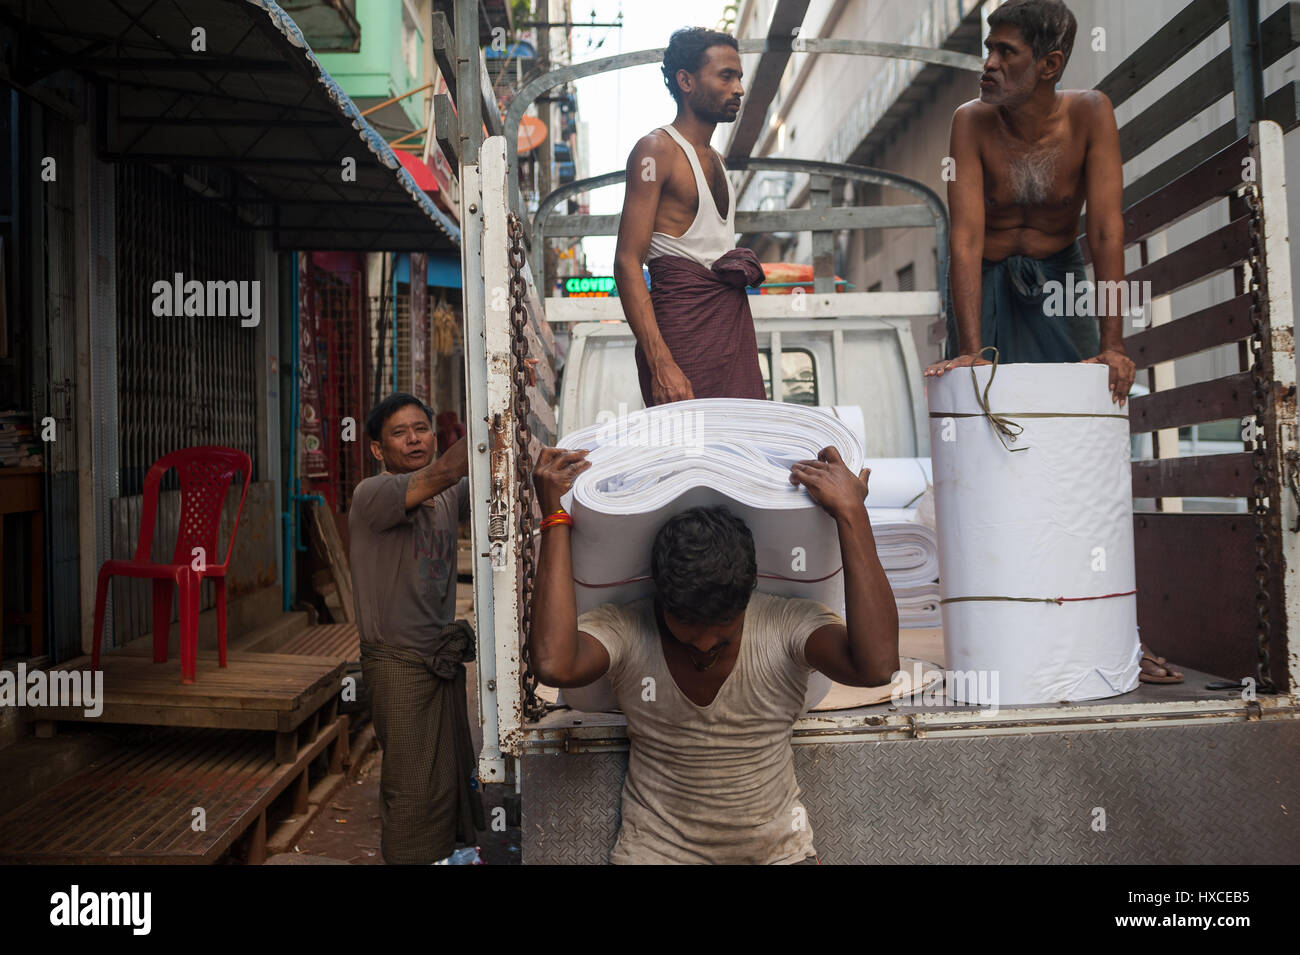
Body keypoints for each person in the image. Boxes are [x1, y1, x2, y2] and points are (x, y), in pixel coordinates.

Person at [925, 0, 1179, 684]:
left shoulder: (1092, 113)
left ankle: (1119, 636)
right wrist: (973, 349)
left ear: (1049, 65)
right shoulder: (969, 124)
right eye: (989, 48)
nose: (990, 63)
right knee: (991, 443)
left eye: (1006, 52)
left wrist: (1114, 342)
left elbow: (1106, 231)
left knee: (1082, 454)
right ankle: (1006, 628)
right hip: (984, 281)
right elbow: (967, 238)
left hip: (1062, 279)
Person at [527, 444, 900, 864]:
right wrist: (555, 517)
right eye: (687, 635)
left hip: (778, 855)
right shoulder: (628, 628)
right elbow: (554, 664)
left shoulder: (786, 624)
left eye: (721, 635)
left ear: (747, 595)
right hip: (656, 854)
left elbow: (879, 666)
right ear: (660, 598)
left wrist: (852, 513)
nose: (704, 646)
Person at [348, 393, 484, 863]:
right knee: (411, 790)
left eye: (421, 428)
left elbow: (487, 480)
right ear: (377, 450)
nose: (413, 440)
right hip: (399, 668)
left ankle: (449, 857)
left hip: (437, 661)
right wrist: (497, 407)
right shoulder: (373, 495)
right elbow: (448, 469)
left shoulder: (445, 495)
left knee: (446, 781)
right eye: (399, 433)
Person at [613, 26, 767, 407]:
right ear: (686, 80)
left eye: (740, 78)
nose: (739, 89)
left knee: (740, 456)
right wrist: (661, 364)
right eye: (726, 76)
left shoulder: (718, 161)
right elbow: (627, 262)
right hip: (681, 338)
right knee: (686, 463)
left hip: (729, 333)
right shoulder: (655, 151)